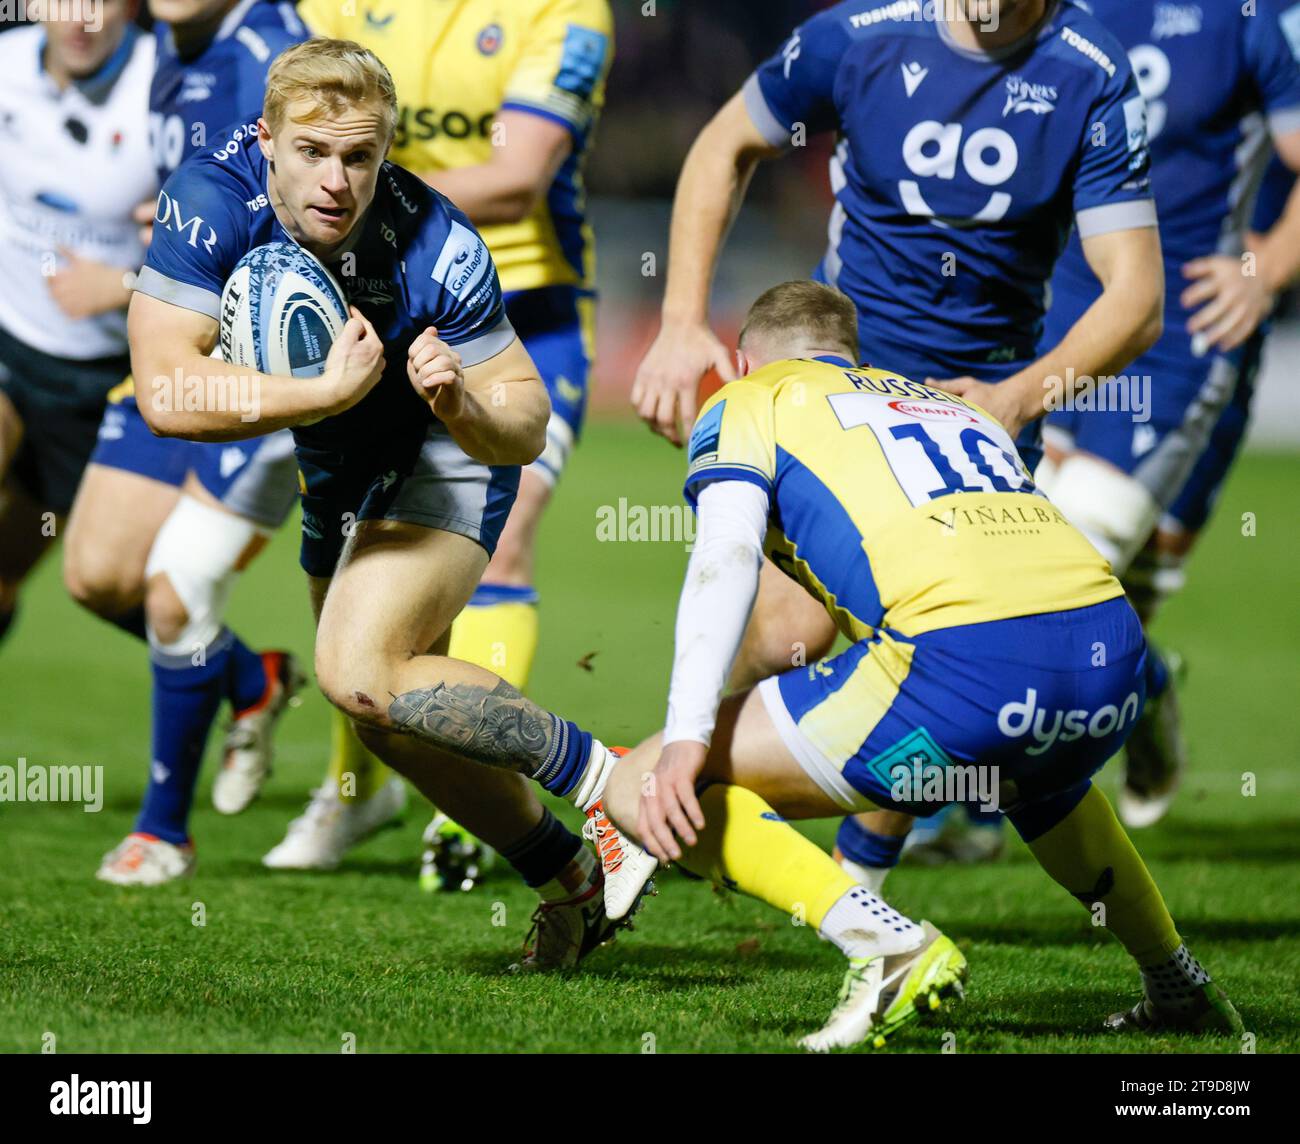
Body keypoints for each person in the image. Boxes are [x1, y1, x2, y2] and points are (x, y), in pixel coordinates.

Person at [601, 280, 1241, 1050]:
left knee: (641, 785)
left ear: (744, 361)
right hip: (1110, 656)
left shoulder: (750, 399)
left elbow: (726, 556)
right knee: (1033, 779)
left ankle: (887, 946)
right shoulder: (951, 405)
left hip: (964, 665)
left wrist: (686, 734)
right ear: (850, 356)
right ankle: (1175, 978)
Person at [129, 37, 653, 966]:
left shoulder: (436, 236)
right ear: (268, 138)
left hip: (440, 446)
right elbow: (166, 393)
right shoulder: (208, 201)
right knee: (386, 712)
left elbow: (525, 422)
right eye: (314, 153)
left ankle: (616, 790)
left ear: (386, 152)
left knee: (360, 669)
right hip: (334, 453)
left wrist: (460, 399)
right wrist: (319, 399)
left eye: (361, 156)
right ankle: (570, 878)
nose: (338, 179)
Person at [629, 0, 1166, 886]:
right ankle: (665, 814)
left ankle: (861, 887)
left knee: (936, 644)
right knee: (779, 637)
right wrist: (683, 320)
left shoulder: (1091, 70)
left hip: (975, 408)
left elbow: (1136, 295)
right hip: (841, 390)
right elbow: (725, 143)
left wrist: (1018, 399)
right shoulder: (860, 34)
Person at [271, 0, 614, 884]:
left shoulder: (564, 13)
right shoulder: (340, 7)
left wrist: (355, 189)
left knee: (503, 538)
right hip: (371, 308)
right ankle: (362, 791)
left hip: (524, 318)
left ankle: (472, 814)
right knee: (363, 596)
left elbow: (517, 176)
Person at [60, 0, 315, 886]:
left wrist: (124, 280)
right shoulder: (178, 45)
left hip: (260, 364)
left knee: (173, 596)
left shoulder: (270, 52)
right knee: (94, 574)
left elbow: (294, 237)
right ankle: (251, 679)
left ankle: (163, 831)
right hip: (180, 346)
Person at [1036, 0, 1300, 826]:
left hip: (1184, 332)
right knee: (1060, 583)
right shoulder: (1070, 11)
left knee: (1083, 580)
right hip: (1069, 315)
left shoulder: (1254, 16)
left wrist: (1266, 269)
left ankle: (1140, 695)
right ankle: (951, 817)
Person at [0, 0, 154, 646]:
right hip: (9, 342)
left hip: (97, 385)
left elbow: (230, 264)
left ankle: (247, 675)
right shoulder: (6, 63)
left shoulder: (166, 91)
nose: (79, 19)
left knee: (86, 585)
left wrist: (122, 286)